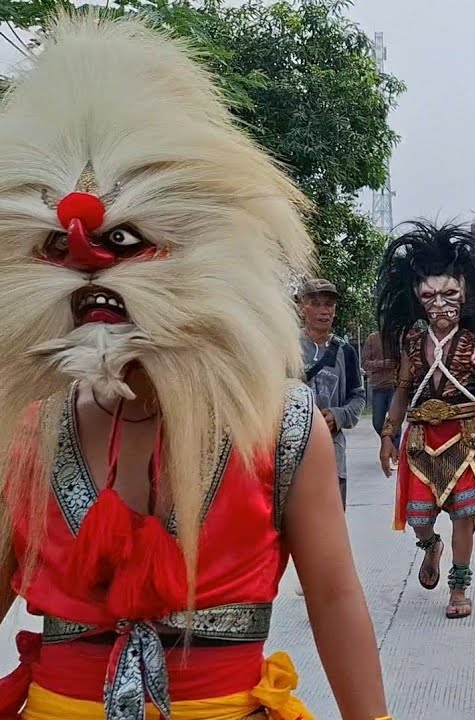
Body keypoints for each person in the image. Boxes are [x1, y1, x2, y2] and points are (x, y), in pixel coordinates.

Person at [0, 13, 390, 719]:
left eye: (127, 242)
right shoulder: (26, 432)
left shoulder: (284, 427)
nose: (93, 274)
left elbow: (334, 598)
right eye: (59, 252)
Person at [375, 222, 475, 619]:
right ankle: (430, 547)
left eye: (449, 294)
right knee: (419, 520)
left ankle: (459, 585)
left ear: (464, 291)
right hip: (420, 440)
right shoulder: (413, 341)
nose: (440, 303)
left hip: (464, 436)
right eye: (430, 295)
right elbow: (403, 389)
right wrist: (388, 434)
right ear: (417, 297)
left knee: (465, 514)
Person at [298, 278, 366, 509]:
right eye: (315, 303)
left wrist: (338, 415)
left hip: (331, 452)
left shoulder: (345, 351)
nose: (323, 311)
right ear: (302, 307)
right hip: (293, 451)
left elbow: (358, 397)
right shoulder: (287, 346)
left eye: (328, 304)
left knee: (331, 522)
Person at [363, 329, 401, 456]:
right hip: (378, 386)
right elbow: (365, 363)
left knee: (394, 420)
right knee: (377, 422)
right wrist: (382, 364)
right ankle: (387, 442)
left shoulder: (397, 338)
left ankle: (395, 451)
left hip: (394, 385)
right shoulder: (372, 339)